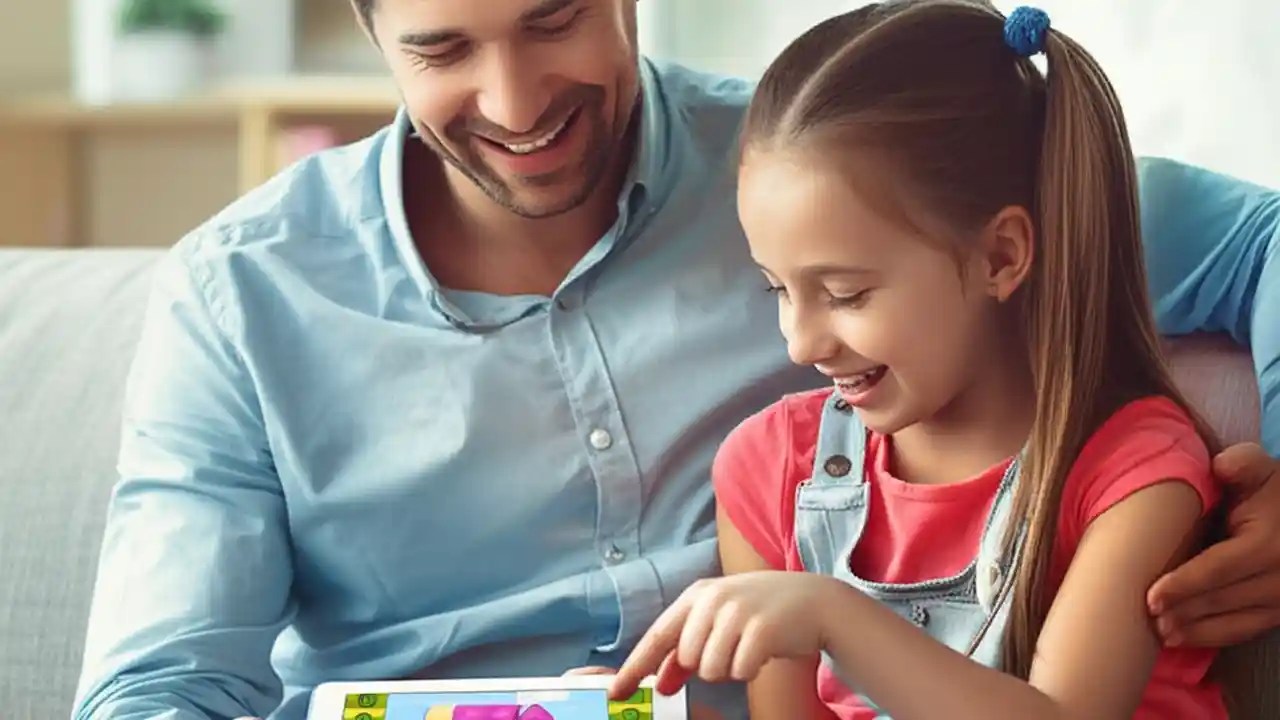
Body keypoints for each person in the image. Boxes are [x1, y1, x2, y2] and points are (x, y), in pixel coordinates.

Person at [70, 1, 1280, 719]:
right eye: (443, 49)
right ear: (368, 30)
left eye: (554, 17)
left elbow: (1256, 241)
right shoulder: (242, 293)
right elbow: (159, 683)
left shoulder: (826, 171)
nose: (515, 98)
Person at [603, 3, 1265, 719]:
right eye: (777, 289)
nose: (801, 342)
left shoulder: (1132, 470)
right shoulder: (768, 470)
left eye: (846, 293)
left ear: (1001, 257)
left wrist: (834, 614)